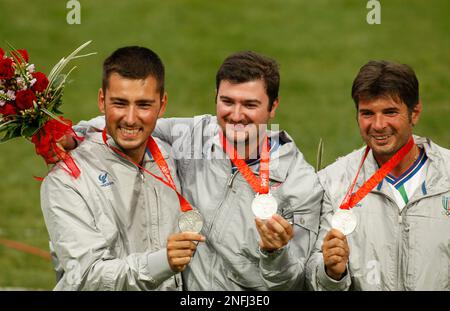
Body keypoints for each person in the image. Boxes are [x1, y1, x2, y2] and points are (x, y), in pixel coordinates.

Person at [60, 51, 323, 290]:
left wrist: (275, 254)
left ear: (273, 107)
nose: (236, 114)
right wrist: (74, 135)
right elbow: (136, 124)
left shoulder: (299, 184)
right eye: (227, 101)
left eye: (250, 105)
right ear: (215, 98)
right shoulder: (197, 135)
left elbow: (295, 283)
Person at [40, 46, 204, 291]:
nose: (130, 118)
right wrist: (163, 262)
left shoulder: (171, 155)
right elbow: (86, 278)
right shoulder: (67, 179)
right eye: (119, 103)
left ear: (162, 105)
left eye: (143, 105)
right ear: (101, 100)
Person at [306, 60, 450, 290]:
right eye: (367, 113)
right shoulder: (332, 183)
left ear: (415, 113)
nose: (378, 125)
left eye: (390, 112)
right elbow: (312, 278)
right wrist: (330, 273)